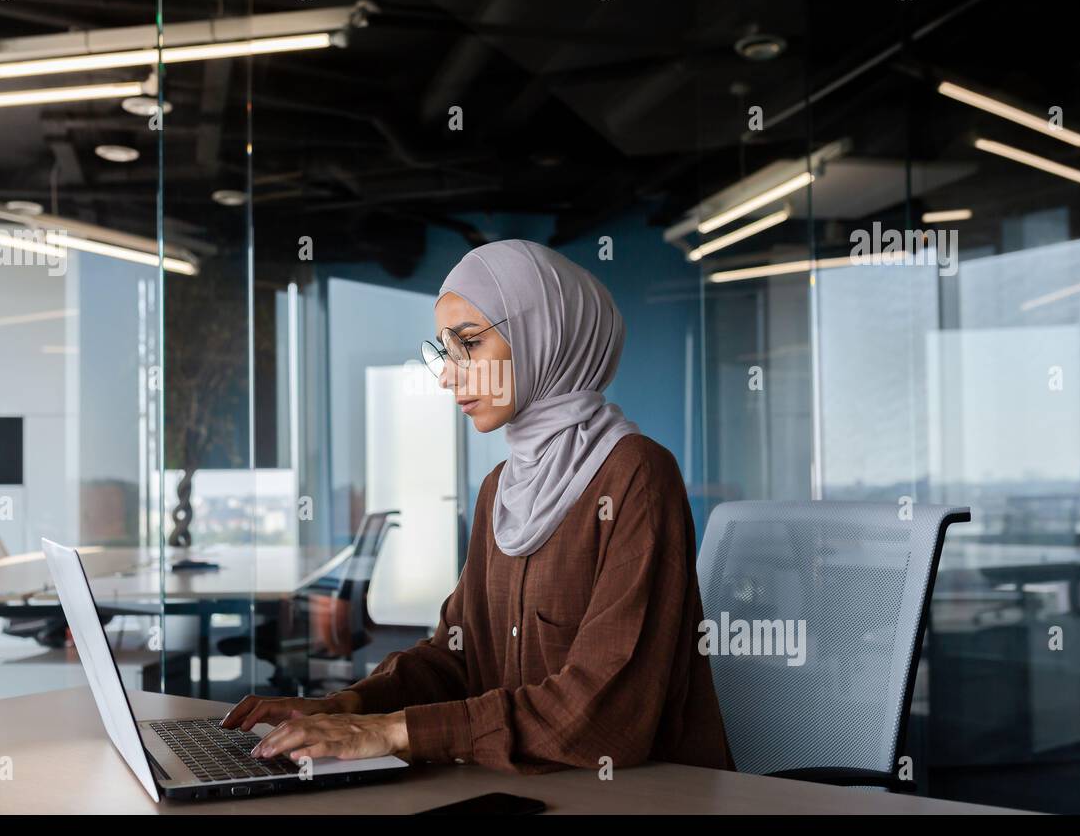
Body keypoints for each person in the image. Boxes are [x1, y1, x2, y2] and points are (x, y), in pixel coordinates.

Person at [222, 239, 733, 774]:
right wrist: (345, 707)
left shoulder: (637, 475)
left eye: (469, 342)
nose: (447, 375)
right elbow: (457, 657)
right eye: (445, 350)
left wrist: (390, 731)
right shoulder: (501, 488)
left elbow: (603, 713)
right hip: (517, 786)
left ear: (544, 337)